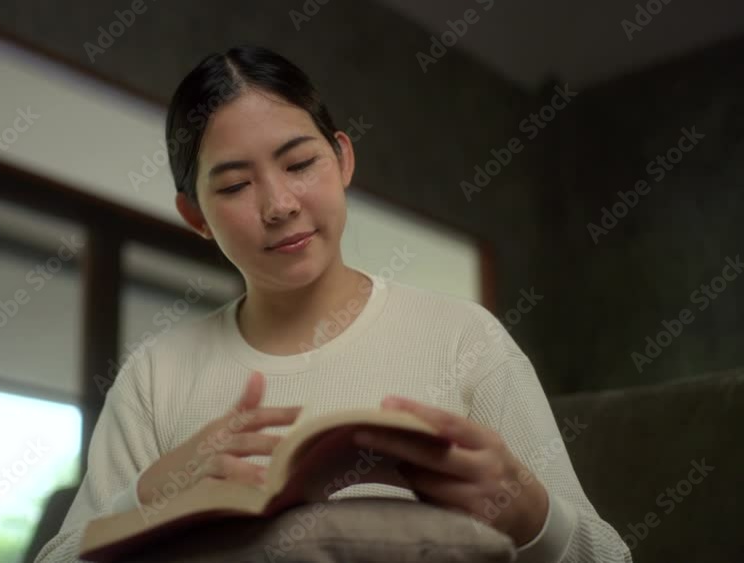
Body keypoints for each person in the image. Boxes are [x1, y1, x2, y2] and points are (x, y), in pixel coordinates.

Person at [35, 45, 632, 563]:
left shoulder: (463, 339)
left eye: (299, 164)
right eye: (236, 185)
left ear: (343, 159)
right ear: (196, 216)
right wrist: (147, 495)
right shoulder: (154, 379)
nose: (279, 204)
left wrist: (529, 514)